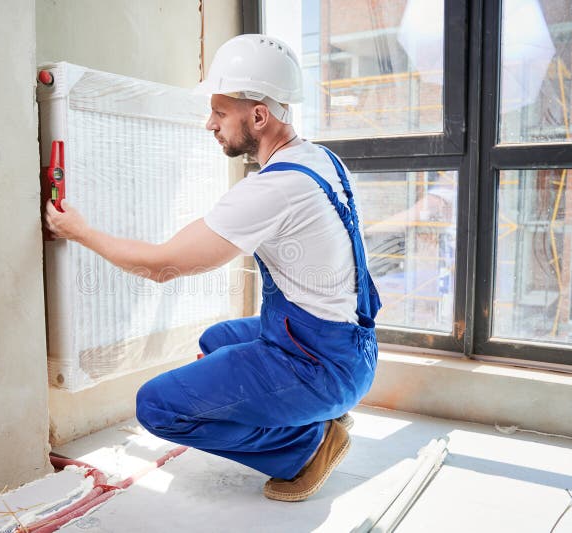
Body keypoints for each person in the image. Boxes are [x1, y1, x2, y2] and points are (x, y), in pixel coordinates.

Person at [44, 34, 381, 502]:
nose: (210, 123)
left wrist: (80, 231)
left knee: (158, 406)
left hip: (323, 365)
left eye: (220, 112)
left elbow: (163, 267)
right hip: (352, 347)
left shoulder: (273, 189)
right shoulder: (319, 159)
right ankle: (319, 412)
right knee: (215, 340)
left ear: (259, 115)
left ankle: (306, 446)